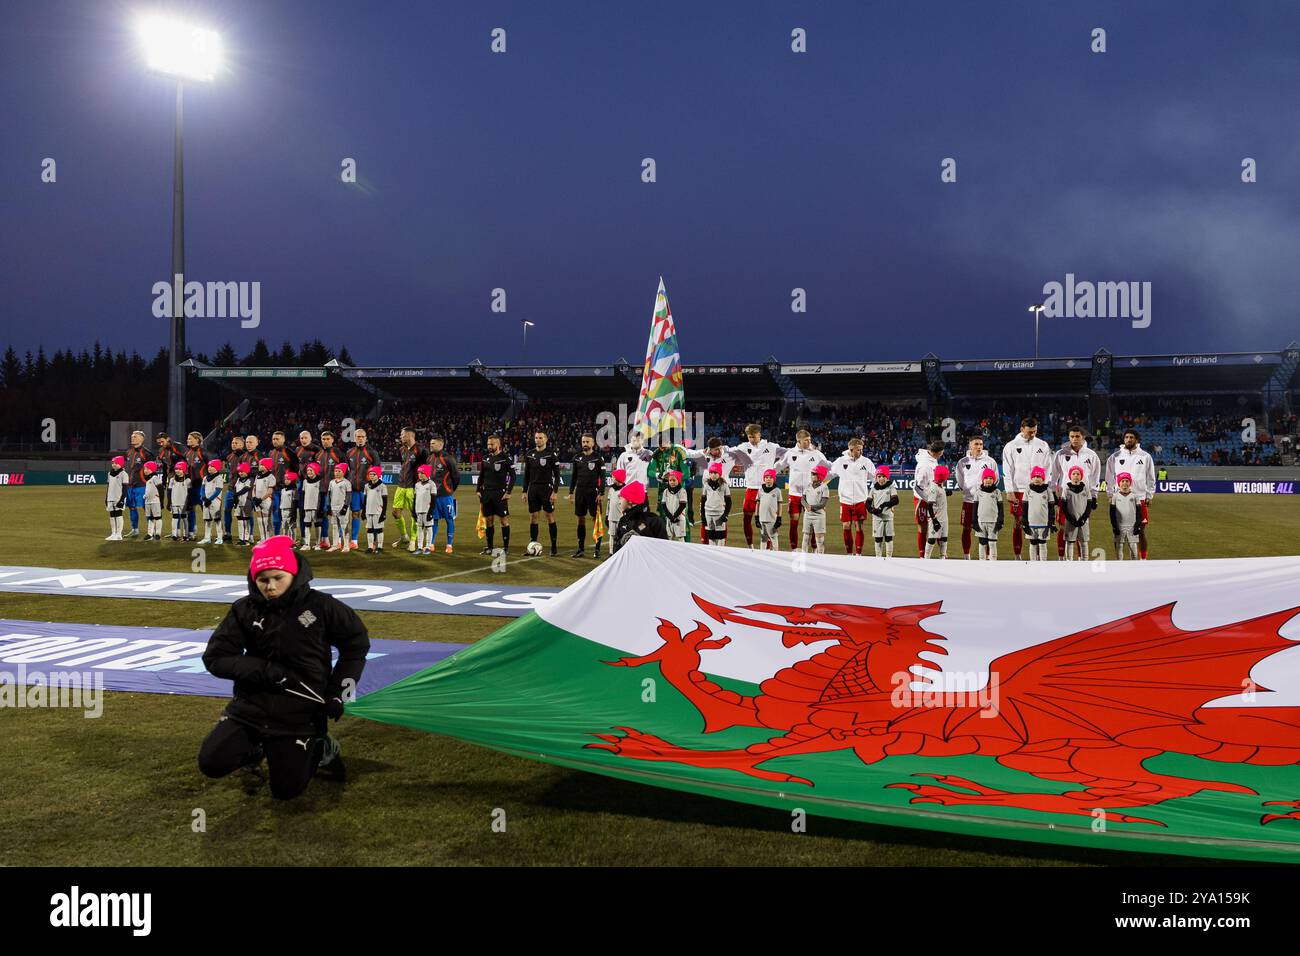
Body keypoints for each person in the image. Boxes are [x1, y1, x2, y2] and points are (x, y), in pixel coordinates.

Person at [199, 536, 369, 800]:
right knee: (211, 763)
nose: (271, 586)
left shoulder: (322, 606)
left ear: (294, 573)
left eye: (278, 577)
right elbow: (215, 658)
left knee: (286, 790)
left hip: (301, 713)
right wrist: (266, 671)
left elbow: (356, 645)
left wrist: (339, 692)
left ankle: (321, 747)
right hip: (251, 708)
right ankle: (254, 749)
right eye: (263, 580)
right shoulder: (244, 609)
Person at [1001, 418, 1053, 559]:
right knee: (1018, 522)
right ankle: (1018, 555)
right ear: (1022, 429)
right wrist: (1009, 490)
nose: (1032, 434)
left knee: (1039, 521)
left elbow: (1048, 467)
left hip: (1038, 489)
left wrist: (1046, 485)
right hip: (1019, 490)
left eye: (1035, 431)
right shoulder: (1011, 446)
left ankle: (1038, 556)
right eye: (1030, 432)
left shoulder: (1042, 445)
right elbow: (1007, 470)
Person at [683, 438, 751, 544]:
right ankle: (705, 544)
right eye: (715, 450)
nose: (718, 451)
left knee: (722, 520)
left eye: (719, 448)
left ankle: (721, 543)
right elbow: (689, 453)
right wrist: (677, 448)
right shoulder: (704, 454)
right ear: (710, 449)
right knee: (705, 518)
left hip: (722, 493)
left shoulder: (730, 454)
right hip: (707, 491)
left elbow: (746, 454)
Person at [732, 424, 786, 549]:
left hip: (766, 490)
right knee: (746, 519)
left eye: (754, 436)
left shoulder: (771, 447)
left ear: (759, 434)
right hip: (750, 489)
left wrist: (775, 468)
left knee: (768, 521)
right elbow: (729, 452)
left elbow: (788, 454)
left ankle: (768, 548)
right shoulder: (743, 447)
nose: (752, 439)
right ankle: (750, 546)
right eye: (749, 437)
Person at [1105, 429, 1157, 559]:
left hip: (1139, 498)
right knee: (1119, 532)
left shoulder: (1145, 456)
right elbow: (1109, 477)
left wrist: (1149, 495)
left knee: (1140, 531)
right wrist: (1110, 494)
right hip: (1120, 499)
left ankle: (1143, 559)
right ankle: (1120, 559)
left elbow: (1151, 477)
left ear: (1137, 440)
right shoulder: (1115, 456)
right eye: (1126, 437)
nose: (1128, 439)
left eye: (1131, 437)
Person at [1052, 427, 1100, 558]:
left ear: (1083, 437)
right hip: (1065, 495)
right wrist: (1053, 494)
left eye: (1077, 436)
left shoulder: (1091, 455)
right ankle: (1062, 557)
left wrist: (1094, 495)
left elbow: (1095, 477)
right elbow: (1054, 476)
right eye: (1072, 436)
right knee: (1063, 526)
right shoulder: (1060, 454)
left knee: (1081, 525)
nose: (1074, 439)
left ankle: (1081, 558)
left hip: (1083, 496)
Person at [777, 430, 828, 551]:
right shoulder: (790, 453)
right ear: (798, 441)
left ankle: (815, 548)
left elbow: (829, 466)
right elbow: (779, 465)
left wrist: (823, 480)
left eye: (810, 440)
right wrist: (768, 475)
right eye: (806, 440)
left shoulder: (816, 454)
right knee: (794, 521)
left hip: (811, 494)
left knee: (813, 523)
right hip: (794, 493)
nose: (809, 442)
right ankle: (794, 548)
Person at [831, 437, 876, 556]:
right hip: (845, 500)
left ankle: (859, 554)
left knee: (859, 527)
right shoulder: (841, 461)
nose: (861, 452)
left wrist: (875, 494)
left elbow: (875, 479)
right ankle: (849, 553)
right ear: (851, 449)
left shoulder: (867, 462)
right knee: (846, 526)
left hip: (861, 500)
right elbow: (830, 474)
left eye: (861, 450)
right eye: (858, 450)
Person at [956, 436, 997, 559]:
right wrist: (967, 491)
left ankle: (988, 556)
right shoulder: (962, 462)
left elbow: (996, 479)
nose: (979, 447)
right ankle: (966, 555)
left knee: (987, 529)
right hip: (968, 501)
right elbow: (959, 479)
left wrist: (985, 493)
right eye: (976, 444)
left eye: (980, 444)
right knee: (966, 528)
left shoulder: (990, 461)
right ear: (970, 446)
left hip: (985, 501)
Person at [522, 430, 561, 556]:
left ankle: (554, 547)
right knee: (533, 517)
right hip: (533, 489)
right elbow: (526, 475)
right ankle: (532, 545)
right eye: (536, 437)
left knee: (549, 516)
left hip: (546, 489)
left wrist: (555, 492)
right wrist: (524, 491)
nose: (537, 439)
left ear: (546, 440)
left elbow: (557, 474)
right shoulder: (530, 454)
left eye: (540, 438)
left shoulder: (551, 454)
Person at [567, 432, 605, 557]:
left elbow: (603, 477)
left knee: (596, 520)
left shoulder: (598, 458)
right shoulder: (577, 458)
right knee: (580, 519)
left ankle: (597, 549)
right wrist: (571, 492)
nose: (585, 444)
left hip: (593, 492)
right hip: (580, 492)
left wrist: (602, 492)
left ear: (593, 443)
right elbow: (574, 477)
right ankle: (580, 548)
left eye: (587, 442)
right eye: (583, 442)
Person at [478, 434, 514, 555]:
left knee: (503, 520)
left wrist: (508, 492)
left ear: (498, 444)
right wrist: (478, 490)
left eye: (491, 444)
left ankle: (506, 548)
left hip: (500, 493)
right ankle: (490, 547)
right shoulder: (485, 458)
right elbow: (481, 476)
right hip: (487, 493)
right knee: (489, 520)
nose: (489, 446)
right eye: (488, 444)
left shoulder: (505, 458)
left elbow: (513, 476)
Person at [345, 429, 381, 549]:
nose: (360, 438)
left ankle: (375, 542)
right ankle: (354, 541)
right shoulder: (349, 452)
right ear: (354, 438)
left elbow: (378, 471)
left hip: (369, 490)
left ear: (366, 438)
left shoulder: (372, 453)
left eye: (362, 436)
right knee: (355, 514)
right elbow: (348, 471)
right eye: (357, 436)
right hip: (355, 490)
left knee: (371, 516)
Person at [391, 427, 424, 550]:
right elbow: (403, 465)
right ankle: (404, 537)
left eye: (402, 435)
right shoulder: (402, 450)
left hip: (413, 487)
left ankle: (413, 541)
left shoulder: (421, 451)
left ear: (410, 435)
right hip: (401, 485)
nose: (400, 437)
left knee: (414, 514)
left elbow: (425, 470)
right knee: (395, 512)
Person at [611, 481, 668, 552]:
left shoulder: (654, 521)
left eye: (621, 498)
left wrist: (641, 541)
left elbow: (664, 549)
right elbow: (616, 552)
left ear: (630, 501)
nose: (619, 501)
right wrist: (621, 542)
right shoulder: (623, 520)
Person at [912, 439, 945, 557]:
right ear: (938, 452)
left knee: (936, 525)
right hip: (923, 499)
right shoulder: (925, 465)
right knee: (924, 527)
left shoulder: (930, 460)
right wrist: (929, 499)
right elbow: (918, 487)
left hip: (931, 497)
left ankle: (941, 554)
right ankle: (922, 555)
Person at [427, 434, 460, 554]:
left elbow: (456, 476)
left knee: (449, 519)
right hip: (433, 496)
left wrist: (450, 490)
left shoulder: (448, 458)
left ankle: (449, 544)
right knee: (433, 520)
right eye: (430, 443)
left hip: (445, 496)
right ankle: (431, 544)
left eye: (433, 443)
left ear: (441, 445)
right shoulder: (429, 458)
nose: (431, 445)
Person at [1019, 466, 1056, 562]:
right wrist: (1024, 522)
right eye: (1034, 477)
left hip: (1044, 523)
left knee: (1043, 543)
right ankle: (1033, 562)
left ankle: (1043, 563)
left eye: (1039, 477)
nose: (1036, 479)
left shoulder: (1048, 490)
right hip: (1031, 523)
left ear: (1043, 479)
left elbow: (1052, 508)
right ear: (1031, 478)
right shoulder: (1028, 490)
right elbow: (1024, 507)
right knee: (1033, 543)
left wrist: (1051, 522)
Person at [1059, 464, 1094, 560]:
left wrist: (1084, 518)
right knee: (1070, 542)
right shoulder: (1066, 489)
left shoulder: (1086, 489)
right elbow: (1064, 506)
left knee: (1083, 542)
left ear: (1081, 476)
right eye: (1073, 473)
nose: (1076, 475)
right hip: (1070, 521)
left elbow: (1089, 505)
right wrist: (1070, 519)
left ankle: (1084, 560)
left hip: (1083, 521)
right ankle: (1069, 561)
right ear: (1070, 476)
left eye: (1078, 474)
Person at [122, 430, 152, 538]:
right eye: (132, 436)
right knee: (131, 507)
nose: (132, 438)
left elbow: (152, 470)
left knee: (146, 507)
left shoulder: (147, 453)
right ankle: (135, 530)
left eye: (135, 436)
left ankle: (150, 531)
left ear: (142, 439)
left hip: (142, 485)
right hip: (130, 486)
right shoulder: (128, 452)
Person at [1109, 472, 1144, 560]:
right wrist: (1114, 526)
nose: (1125, 483)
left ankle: (1135, 567)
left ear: (1130, 482)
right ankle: (1119, 567)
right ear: (1119, 483)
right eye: (1122, 481)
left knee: (1133, 548)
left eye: (1127, 481)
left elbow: (1139, 512)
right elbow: (1112, 513)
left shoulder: (1135, 496)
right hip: (1120, 526)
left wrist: (1137, 525)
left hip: (1132, 526)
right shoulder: (1115, 496)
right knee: (1119, 547)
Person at [867, 465, 899, 558]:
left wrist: (884, 505)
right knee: (878, 539)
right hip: (877, 518)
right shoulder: (873, 489)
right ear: (876, 477)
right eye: (879, 476)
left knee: (889, 538)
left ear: (887, 477)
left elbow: (896, 500)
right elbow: (868, 503)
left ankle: (889, 557)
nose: (881, 479)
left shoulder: (891, 487)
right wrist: (872, 510)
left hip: (888, 517)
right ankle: (878, 557)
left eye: (883, 476)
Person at [921, 464, 951, 559]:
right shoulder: (933, 488)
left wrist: (945, 492)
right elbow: (929, 504)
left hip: (944, 517)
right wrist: (934, 520)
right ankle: (926, 558)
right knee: (932, 539)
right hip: (936, 517)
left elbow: (938, 496)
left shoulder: (938, 485)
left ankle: (942, 558)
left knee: (944, 538)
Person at [800, 463, 831, 554]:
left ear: (820, 476)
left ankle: (820, 557)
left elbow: (823, 503)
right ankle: (803, 556)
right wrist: (806, 506)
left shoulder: (824, 487)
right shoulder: (808, 486)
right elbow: (802, 499)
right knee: (805, 537)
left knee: (819, 539)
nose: (812, 476)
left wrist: (811, 507)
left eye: (814, 474)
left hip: (819, 516)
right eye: (812, 474)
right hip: (807, 515)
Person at [268, 431, 295, 536]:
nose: (275, 441)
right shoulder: (271, 453)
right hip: (275, 489)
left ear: (283, 440)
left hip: (286, 490)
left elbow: (295, 469)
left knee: (287, 514)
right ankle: (277, 535)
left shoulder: (289, 453)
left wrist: (290, 484)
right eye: (273, 439)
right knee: (276, 513)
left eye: (277, 439)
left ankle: (289, 537)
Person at [973, 467, 1003, 560]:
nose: (988, 480)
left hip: (993, 522)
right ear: (983, 480)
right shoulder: (978, 492)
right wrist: (974, 522)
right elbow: (975, 509)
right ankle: (982, 561)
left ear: (994, 480)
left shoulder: (997, 492)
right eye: (986, 478)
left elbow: (1001, 508)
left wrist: (1000, 521)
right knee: (982, 543)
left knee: (992, 543)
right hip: (981, 522)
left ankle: (993, 561)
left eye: (991, 478)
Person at [222, 435, 248, 540]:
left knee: (245, 512)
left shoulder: (246, 456)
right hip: (231, 488)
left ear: (242, 445)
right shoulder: (229, 456)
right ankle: (228, 533)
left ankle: (248, 535)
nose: (234, 444)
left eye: (236, 443)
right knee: (227, 510)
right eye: (233, 443)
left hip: (242, 489)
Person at [701, 461, 732, 546]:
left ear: (719, 473)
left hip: (719, 514)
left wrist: (725, 514)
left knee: (721, 537)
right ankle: (713, 555)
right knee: (711, 536)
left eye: (715, 473)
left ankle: (720, 555)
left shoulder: (724, 485)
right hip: (708, 513)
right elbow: (703, 501)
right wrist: (703, 516)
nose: (713, 475)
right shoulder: (706, 484)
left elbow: (729, 502)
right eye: (711, 473)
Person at [184, 431, 206, 538]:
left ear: (197, 440)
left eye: (190, 438)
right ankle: (192, 532)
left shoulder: (203, 452)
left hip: (202, 486)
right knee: (190, 509)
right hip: (190, 486)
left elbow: (213, 468)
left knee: (206, 510)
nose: (188, 440)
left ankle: (208, 534)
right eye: (188, 438)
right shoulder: (187, 453)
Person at [362, 466, 389, 553]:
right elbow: (365, 500)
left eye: (374, 474)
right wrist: (363, 511)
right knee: (369, 529)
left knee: (379, 529)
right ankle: (370, 547)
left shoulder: (382, 486)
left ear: (378, 475)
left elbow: (385, 501)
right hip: (368, 511)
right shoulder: (366, 486)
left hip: (378, 511)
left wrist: (383, 513)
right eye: (370, 474)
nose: (372, 476)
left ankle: (380, 547)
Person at [199, 459, 225, 545]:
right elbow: (202, 488)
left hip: (215, 502)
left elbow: (218, 490)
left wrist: (209, 499)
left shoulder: (219, 478)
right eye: (209, 466)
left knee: (217, 519)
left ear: (217, 467)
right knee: (207, 520)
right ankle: (207, 538)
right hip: (206, 501)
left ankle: (220, 538)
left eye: (212, 466)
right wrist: (203, 497)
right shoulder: (205, 478)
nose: (209, 468)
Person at [298, 462, 324, 550]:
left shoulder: (320, 481)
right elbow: (303, 494)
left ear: (316, 471)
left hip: (316, 506)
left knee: (317, 524)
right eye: (308, 470)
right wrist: (302, 506)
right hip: (307, 506)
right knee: (307, 524)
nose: (309, 472)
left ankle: (318, 544)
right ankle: (307, 544)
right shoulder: (305, 481)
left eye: (311, 470)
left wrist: (321, 508)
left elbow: (322, 496)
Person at [756, 468, 783, 551]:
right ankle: (762, 554)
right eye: (766, 477)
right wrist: (756, 517)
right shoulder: (760, 490)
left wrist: (779, 518)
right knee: (763, 538)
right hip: (762, 519)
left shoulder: (777, 491)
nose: (768, 479)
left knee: (774, 537)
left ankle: (776, 554)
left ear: (774, 479)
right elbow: (757, 504)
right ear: (764, 479)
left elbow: (780, 504)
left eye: (770, 477)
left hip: (772, 519)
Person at [327, 463, 352, 552]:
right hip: (333, 508)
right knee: (334, 526)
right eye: (335, 471)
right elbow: (329, 495)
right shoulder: (331, 482)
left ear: (344, 472)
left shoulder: (346, 483)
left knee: (344, 526)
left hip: (342, 508)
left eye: (339, 471)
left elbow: (349, 496)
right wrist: (329, 506)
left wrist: (345, 507)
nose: (337, 473)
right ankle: (335, 545)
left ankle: (346, 545)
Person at [658, 470, 689, 542]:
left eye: (674, 480)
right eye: (670, 480)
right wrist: (669, 516)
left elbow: (682, 505)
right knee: (669, 537)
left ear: (678, 480)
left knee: (680, 538)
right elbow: (664, 505)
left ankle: (682, 552)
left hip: (679, 518)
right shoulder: (666, 491)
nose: (672, 482)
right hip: (669, 518)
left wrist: (674, 516)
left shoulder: (682, 491)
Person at [104, 455, 128, 541]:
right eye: (113, 463)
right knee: (112, 515)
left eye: (116, 463)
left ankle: (119, 534)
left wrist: (122, 500)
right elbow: (108, 486)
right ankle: (113, 533)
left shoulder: (123, 474)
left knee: (118, 515)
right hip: (110, 497)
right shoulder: (109, 474)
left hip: (118, 498)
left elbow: (125, 488)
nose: (114, 465)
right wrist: (106, 497)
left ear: (121, 464)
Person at [413, 464, 436, 554]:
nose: (420, 475)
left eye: (422, 473)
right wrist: (413, 511)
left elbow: (434, 499)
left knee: (429, 528)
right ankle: (419, 547)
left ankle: (427, 547)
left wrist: (431, 511)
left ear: (426, 473)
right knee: (419, 528)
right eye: (419, 473)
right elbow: (415, 499)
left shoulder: (431, 484)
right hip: (418, 510)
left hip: (427, 510)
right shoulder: (417, 485)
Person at [254, 457, 277, 543]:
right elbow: (254, 488)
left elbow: (270, 491)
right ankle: (263, 538)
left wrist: (261, 499)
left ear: (267, 466)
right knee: (260, 520)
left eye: (262, 464)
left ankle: (269, 538)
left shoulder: (271, 477)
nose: (260, 466)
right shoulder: (258, 476)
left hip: (266, 500)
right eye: (260, 464)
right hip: (257, 501)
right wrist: (254, 497)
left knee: (266, 520)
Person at [167, 462, 192, 541]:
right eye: (176, 469)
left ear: (184, 470)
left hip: (184, 503)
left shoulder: (188, 480)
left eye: (180, 469)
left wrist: (189, 503)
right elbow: (169, 492)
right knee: (174, 518)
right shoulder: (172, 480)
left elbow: (190, 493)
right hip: (174, 502)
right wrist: (169, 502)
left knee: (184, 518)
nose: (177, 471)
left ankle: (185, 535)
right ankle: (174, 535)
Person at [141, 460, 164, 541]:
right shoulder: (148, 479)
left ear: (153, 469)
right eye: (145, 469)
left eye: (148, 469)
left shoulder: (155, 478)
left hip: (155, 501)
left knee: (157, 517)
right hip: (148, 501)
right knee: (150, 518)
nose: (145, 470)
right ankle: (150, 534)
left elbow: (161, 489)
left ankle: (157, 534)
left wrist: (161, 501)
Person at [233, 462, 254, 546]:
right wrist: (234, 499)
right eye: (239, 471)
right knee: (240, 520)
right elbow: (235, 488)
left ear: (247, 471)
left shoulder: (250, 479)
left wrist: (237, 494)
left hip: (246, 503)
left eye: (242, 471)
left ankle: (246, 539)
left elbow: (246, 488)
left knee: (246, 521)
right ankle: (241, 539)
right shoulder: (238, 480)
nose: (240, 473)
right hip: (239, 503)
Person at [278, 471, 298, 545]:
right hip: (283, 510)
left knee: (291, 527)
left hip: (290, 510)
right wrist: (279, 510)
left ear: (292, 480)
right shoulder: (283, 490)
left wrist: (293, 513)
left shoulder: (294, 490)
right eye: (285, 479)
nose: (286, 481)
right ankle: (285, 541)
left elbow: (295, 502)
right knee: (284, 526)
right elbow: (281, 500)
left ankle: (292, 542)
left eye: (288, 479)